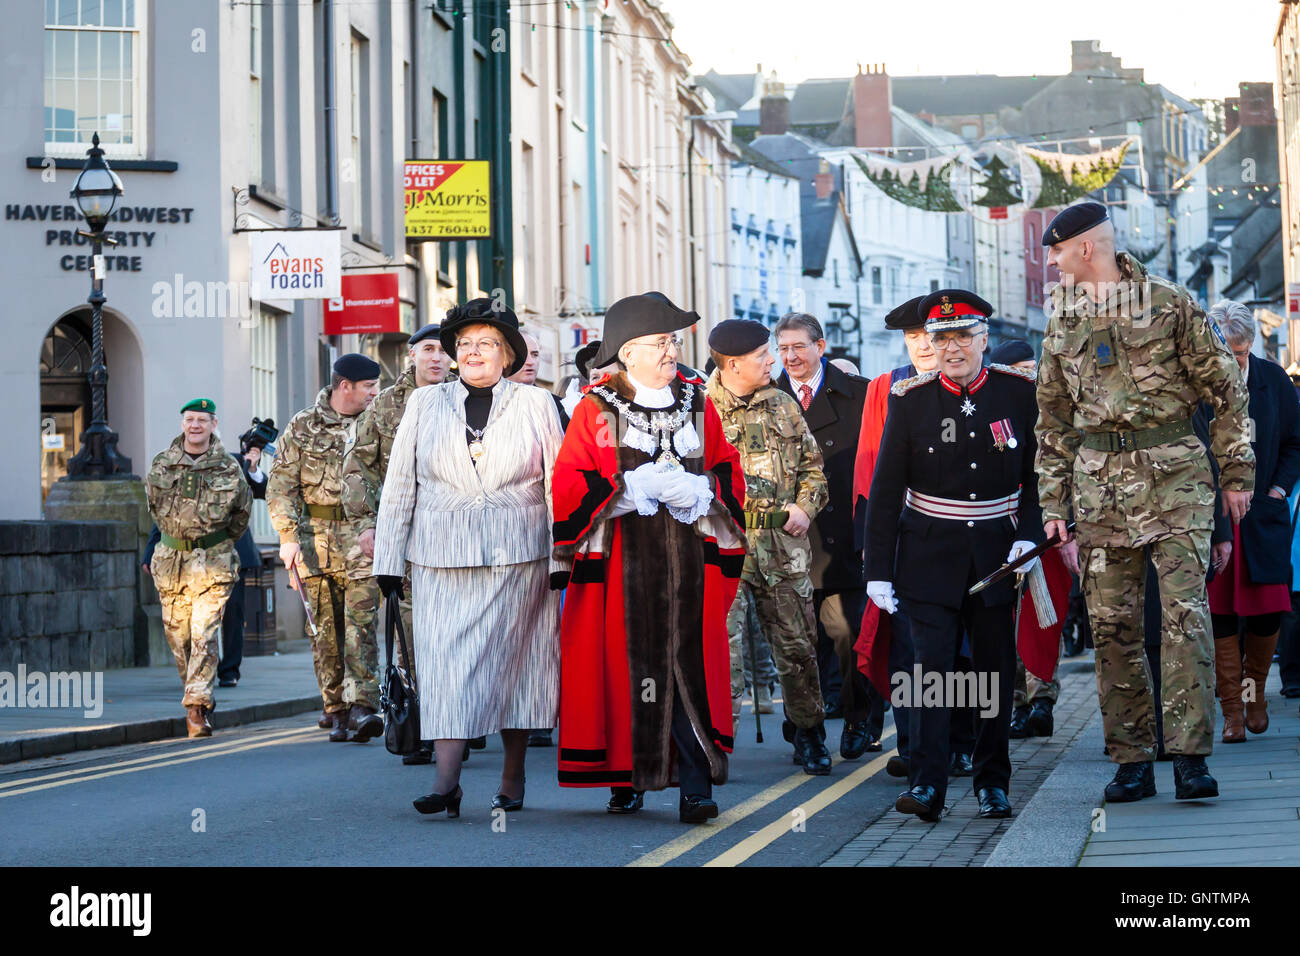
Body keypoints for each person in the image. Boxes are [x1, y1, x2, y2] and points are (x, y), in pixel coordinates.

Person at [1036, 201, 1255, 803]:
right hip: (1098, 490)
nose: (1052, 264)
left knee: (1185, 618)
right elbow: (1052, 422)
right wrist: (1054, 506)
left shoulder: (1169, 303)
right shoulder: (1061, 322)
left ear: (1086, 248)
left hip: (1176, 481)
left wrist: (1236, 474)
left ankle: (1189, 758)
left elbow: (1226, 390)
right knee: (1112, 627)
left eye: (1057, 252)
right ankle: (1131, 760)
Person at [552, 293, 746, 823]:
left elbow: (731, 470)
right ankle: (627, 776)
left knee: (688, 668)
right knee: (629, 670)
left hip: (691, 565)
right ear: (629, 352)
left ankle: (695, 784)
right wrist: (626, 488)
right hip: (622, 568)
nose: (670, 351)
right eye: (661, 343)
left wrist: (702, 489)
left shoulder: (699, 402)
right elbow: (568, 484)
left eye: (672, 342)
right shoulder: (596, 408)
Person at [373, 299, 564, 817]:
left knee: (519, 667)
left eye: (486, 343)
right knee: (447, 669)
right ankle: (446, 781)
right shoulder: (424, 404)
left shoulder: (536, 404)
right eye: (465, 344)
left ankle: (513, 772)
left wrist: (563, 556)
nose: (473, 352)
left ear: (507, 353)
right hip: (440, 559)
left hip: (520, 558)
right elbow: (399, 487)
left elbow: (557, 487)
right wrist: (389, 561)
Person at [865, 290, 1042, 822]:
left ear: (984, 339)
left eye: (964, 335)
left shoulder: (1018, 394)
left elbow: (1038, 476)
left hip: (995, 553)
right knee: (931, 675)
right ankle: (927, 785)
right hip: (927, 556)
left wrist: (1028, 535)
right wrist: (877, 570)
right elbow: (886, 487)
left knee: (991, 674)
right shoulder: (909, 398)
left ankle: (992, 783)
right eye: (942, 338)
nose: (953, 347)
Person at [853, 296, 974, 779]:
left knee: (962, 647)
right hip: (905, 538)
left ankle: (962, 742)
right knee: (907, 648)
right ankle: (912, 742)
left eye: (930, 335)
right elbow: (868, 468)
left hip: (963, 533)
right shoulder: (887, 387)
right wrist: (871, 551)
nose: (923, 345)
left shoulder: (967, 384)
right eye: (912, 337)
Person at [706, 318, 833, 776]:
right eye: (764, 355)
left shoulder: (781, 403)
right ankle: (716, 743)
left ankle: (809, 733)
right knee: (725, 651)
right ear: (734, 363)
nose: (773, 361)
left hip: (783, 548)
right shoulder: (700, 410)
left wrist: (805, 507)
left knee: (797, 647)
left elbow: (814, 468)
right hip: (726, 549)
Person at [773, 312, 881, 759]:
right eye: (783, 349)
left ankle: (860, 721)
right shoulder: (768, 396)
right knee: (799, 642)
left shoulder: (860, 394)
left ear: (821, 346)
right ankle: (806, 730)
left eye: (799, 347)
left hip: (842, 537)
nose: (791, 357)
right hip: (788, 538)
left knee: (847, 637)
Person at [341, 323, 448, 766]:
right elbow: (356, 466)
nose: (437, 358)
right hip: (404, 536)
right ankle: (420, 728)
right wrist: (367, 524)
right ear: (412, 356)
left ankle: (456, 721)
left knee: (453, 632)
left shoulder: (464, 401)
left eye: (445, 350)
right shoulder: (385, 407)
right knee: (410, 633)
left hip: (455, 534)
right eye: (428, 350)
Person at [267, 354, 384, 743]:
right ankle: (335, 708)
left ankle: (363, 705)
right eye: (369, 387)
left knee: (361, 624)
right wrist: (286, 538)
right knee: (325, 632)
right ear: (344, 386)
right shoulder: (302, 426)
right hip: (314, 541)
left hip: (364, 537)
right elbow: (281, 485)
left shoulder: (377, 422)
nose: (374, 393)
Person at [1204, 301, 1300, 741]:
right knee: (1220, 614)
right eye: (1228, 353)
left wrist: (1278, 489)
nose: (1234, 362)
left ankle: (1253, 694)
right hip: (1214, 517)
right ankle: (1232, 714)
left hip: (1262, 515)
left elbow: (1295, 443)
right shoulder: (1195, 385)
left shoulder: (1274, 380)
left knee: (1266, 612)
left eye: (1241, 354)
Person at [145, 399, 253, 737]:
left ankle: (196, 709)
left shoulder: (228, 467)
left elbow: (242, 513)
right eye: (190, 420)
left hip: (213, 562)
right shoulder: (162, 463)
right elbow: (154, 508)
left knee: (204, 632)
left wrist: (216, 542)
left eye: (202, 420)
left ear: (213, 424)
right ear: (182, 424)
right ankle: (198, 691)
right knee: (179, 637)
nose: (195, 426)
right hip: (172, 563)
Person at [143, 429, 268, 688]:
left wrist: (253, 467)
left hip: (230, 553)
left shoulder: (232, 462)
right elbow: (165, 517)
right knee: (190, 619)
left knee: (232, 612)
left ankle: (229, 669)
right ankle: (196, 670)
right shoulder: (176, 468)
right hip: (186, 559)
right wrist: (150, 552)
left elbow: (259, 488)